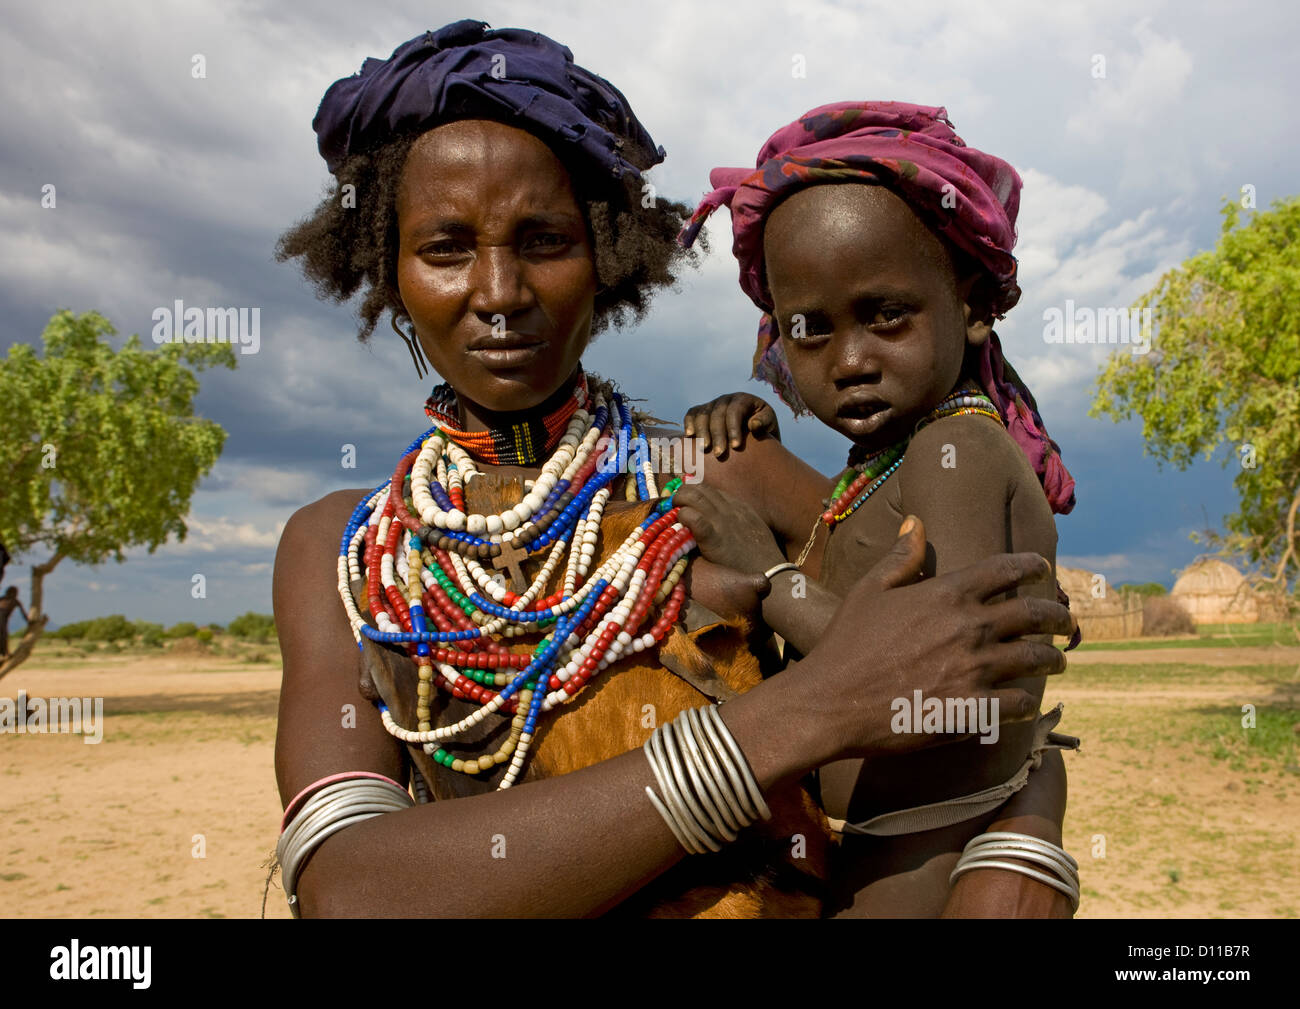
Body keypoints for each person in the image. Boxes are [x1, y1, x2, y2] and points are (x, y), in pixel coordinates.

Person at [272, 23, 1076, 918]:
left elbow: (976, 681)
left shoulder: (725, 471)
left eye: (543, 240)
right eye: (445, 248)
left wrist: (1025, 840)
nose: (499, 293)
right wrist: (808, 709)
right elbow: (352, 891)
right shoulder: (347, 551)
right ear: (386, 270)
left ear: (606, 255)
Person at [675, 101, 1081, 916]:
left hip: (920, 862)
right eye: (810, 329)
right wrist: (731, 433)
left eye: (885, 314)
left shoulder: (953, 449)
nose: (851, 360)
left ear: (969, 308)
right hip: (874, 847)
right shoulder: (888, 460)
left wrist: (770, 575)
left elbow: (943, 689)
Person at [0, 586, 28, 659]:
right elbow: (23, 613)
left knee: (4, 635)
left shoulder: (15, 601)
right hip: (2, 618)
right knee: (3, 635)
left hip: (3, 619)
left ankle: (4, 652)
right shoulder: (4, 599)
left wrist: (29, 621)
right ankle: (5, 653)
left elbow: (23, 613)